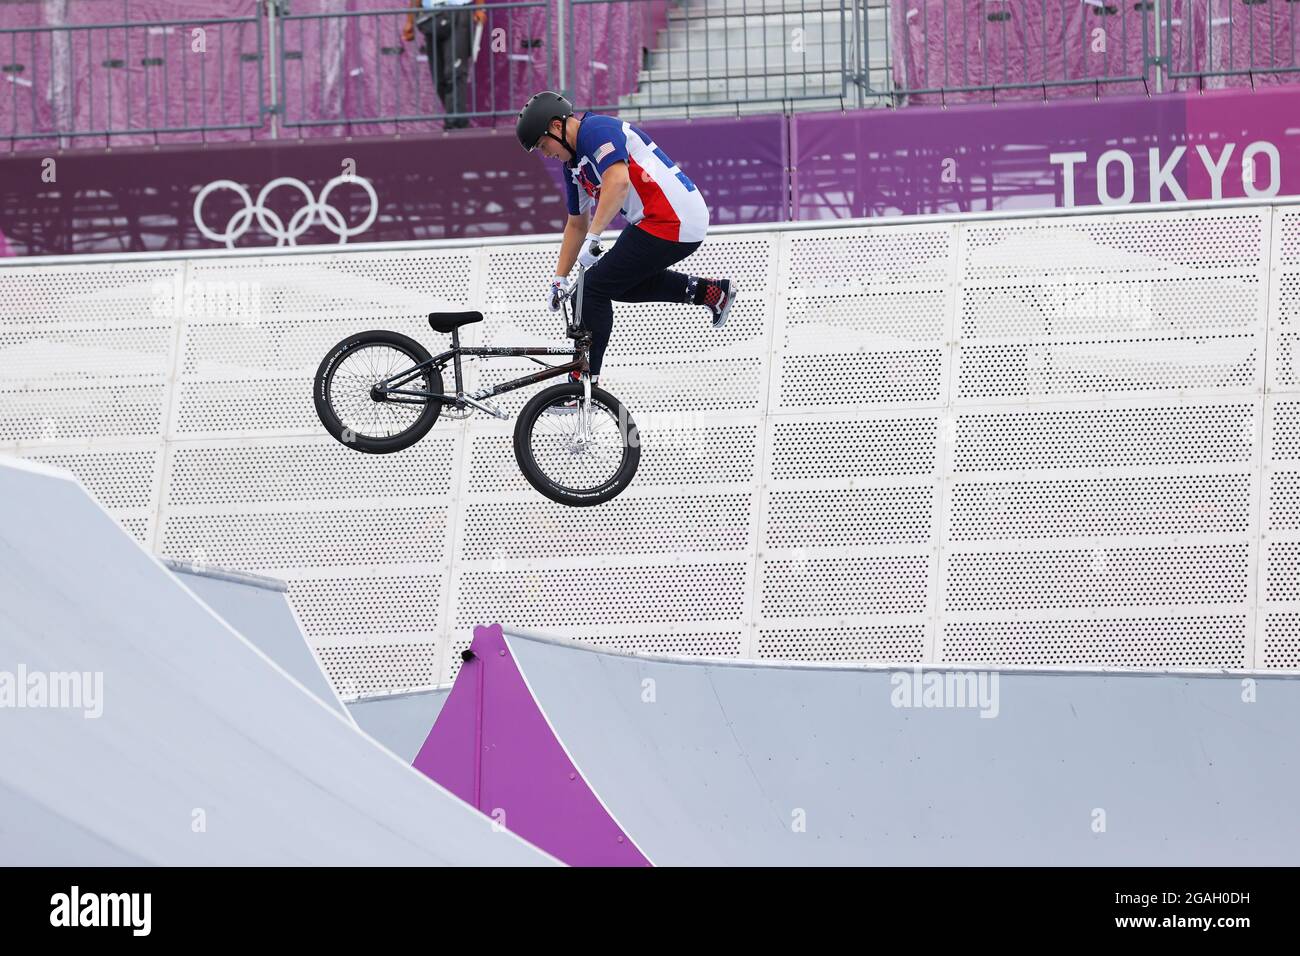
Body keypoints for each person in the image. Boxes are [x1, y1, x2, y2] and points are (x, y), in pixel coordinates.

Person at [515, 91, 736, 385]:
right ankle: (712, 293)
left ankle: (584, 381)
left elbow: (617, 182)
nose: (546, 154)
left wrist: (596, 238)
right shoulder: (573, 166)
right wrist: (559, 277)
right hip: (656, 221)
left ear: (557, 127)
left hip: (672, 217)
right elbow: (576, 223)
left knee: (592, 289)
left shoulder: (595, 131)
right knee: (615, 285)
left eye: (544, 146)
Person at [402, 0, 485, 130]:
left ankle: (456, 123)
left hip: (458, 11)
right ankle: (455, 118)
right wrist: (409, 21)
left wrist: (481, 8)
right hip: (431, 15)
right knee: (438, 75)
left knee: (455, 72)